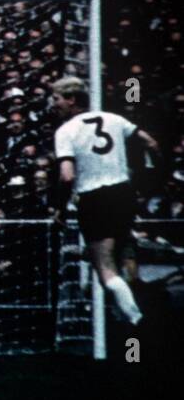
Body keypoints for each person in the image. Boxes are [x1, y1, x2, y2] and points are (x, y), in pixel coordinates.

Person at [51, 77, 161, 326]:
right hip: (123, 193)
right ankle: (132, 327)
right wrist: (151, 178)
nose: (54, 104)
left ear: (71, 99)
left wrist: (59, 207)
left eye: (56, 99)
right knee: (124, 257)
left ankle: (138, 320)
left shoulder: (66, 131)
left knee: (105, 269)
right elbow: (151, 143)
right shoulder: (115, 119)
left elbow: (67, 175)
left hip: (94, 197)